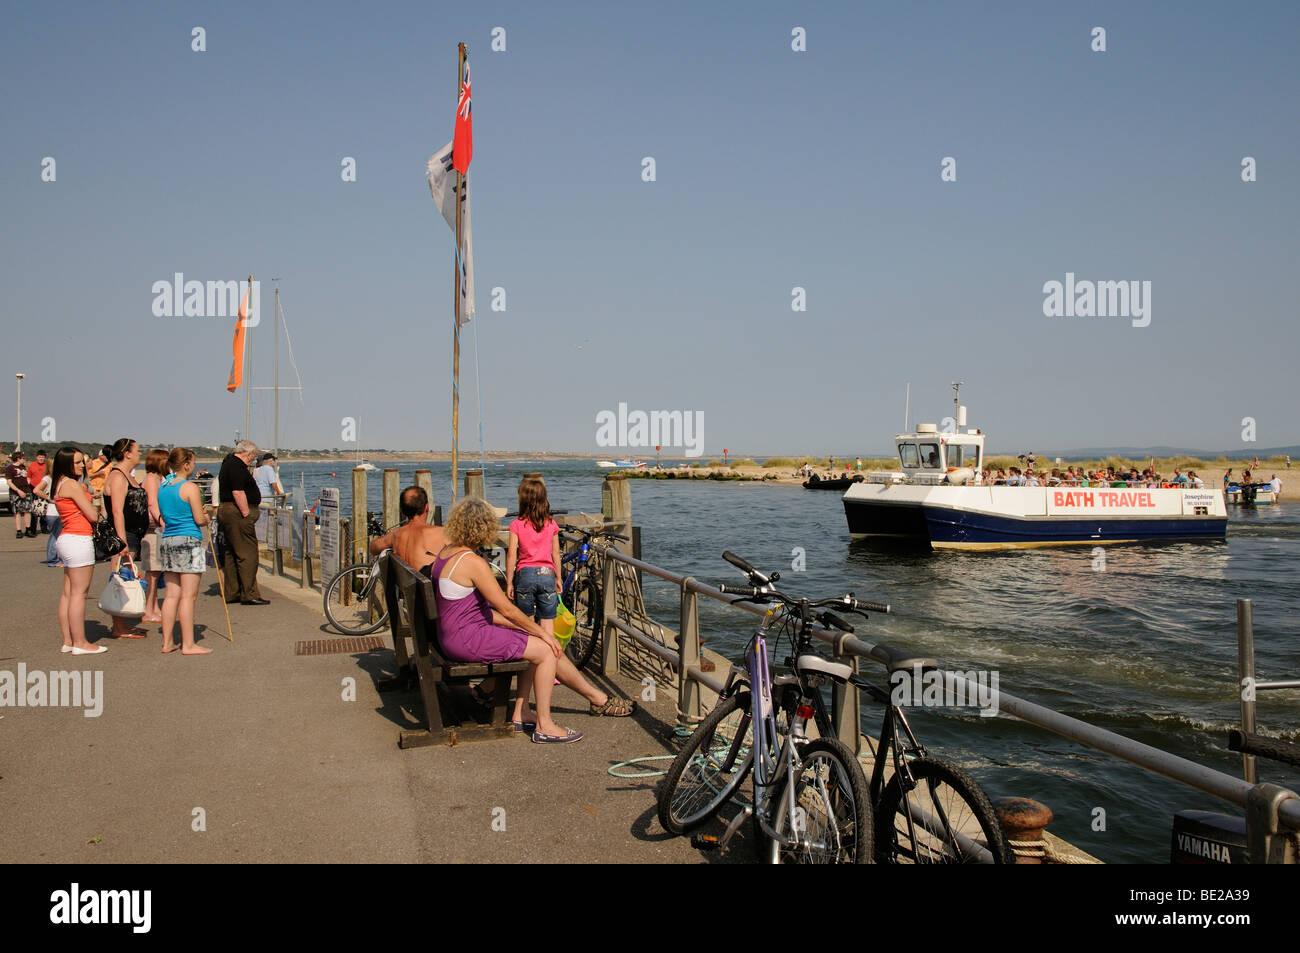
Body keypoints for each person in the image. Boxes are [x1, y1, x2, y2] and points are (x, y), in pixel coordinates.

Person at [431, 498, 634, 744]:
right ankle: (546, 725)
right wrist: (542, 633)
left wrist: (530, 630)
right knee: (546, 650)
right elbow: (506, 608)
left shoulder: (446, 554)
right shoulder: (472, 563)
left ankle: (524, 712)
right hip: (466, 640)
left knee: (533, 640)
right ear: (481, 526)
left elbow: (474, 611)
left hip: (453, 635)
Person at [157, 448, 213, 655]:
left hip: (169, 539)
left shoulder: (163, 486)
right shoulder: (189, 487)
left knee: (172, 594)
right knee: (189, 596)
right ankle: (188, 644)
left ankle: (167, 641)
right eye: (193, 462)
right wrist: (208, 518)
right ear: (187, 464)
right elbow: (199, 519)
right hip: (189, 539)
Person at [50, 447, 106, 654]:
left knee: (68, 593)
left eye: (82, 461)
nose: (82, 465)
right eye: (77, 462)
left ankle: (69, 640)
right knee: (79, 594)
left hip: (66, 538)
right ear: (66, 464)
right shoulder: (72, 484)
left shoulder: (59, 483)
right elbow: (91, 515)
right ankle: (81, 642)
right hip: (79, 538)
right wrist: (95, 507)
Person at [506, 476, 562, 646]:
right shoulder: (551, 524)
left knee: (527, 624)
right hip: (547, 574)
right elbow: (556, 553)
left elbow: (511, 555)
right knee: (547, 623)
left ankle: (532, 664)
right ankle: (550, 664)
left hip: (525, 576)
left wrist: (509, 582)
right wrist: (558, 577)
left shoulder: (516, 524)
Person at [103, 438, 150, 639]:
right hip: (125, 535)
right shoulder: (117, 476)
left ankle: (122, 623)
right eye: (138, 450)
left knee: (127, 578)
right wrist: (122, 540)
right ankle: (118, 625)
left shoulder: (128, 475)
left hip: (134, 534)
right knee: (120, 579)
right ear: (127, 453)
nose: (140, 453)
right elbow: (117, 511)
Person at [217, 441, 267, 605]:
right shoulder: (237, 466)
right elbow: (237, 491)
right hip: (237, 513)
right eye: (254, 456)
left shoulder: (228, 463)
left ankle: (233, 592)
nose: (253, 460)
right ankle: (250, 593)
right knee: (247, 553)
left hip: (228, 511)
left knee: (232, 553)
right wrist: (246, 513)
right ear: (249, 453)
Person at [368, 485, 444, 571]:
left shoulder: (396, 534)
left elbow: (373, 548)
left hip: (403, 583)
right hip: (426, 583)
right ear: (427, 507)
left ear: (402, 510)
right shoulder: (440, 533)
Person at [139, 447, 170, 624]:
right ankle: (148, 609)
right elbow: (152, 503)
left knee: (156, 571)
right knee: (152, 571)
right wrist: (162, 521)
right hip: (153, 529)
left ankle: (153, 607)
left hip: (155, 529)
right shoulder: (152, 479)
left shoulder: (158, 478)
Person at [6, 451, 34, 538]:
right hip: (15, 493)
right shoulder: (10, 468)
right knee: (17, 511)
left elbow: (27, 477)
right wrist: (18, 491)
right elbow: (9, 482)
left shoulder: (23, 467)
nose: (24, 460)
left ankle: (28, 529)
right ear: (18, 459)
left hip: (27, 491)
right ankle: (19, 530)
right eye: (23, 458)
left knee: (28, 510)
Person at [86, 445, 113, 516]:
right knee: (95, 508)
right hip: (95, 489)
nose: (108, 458)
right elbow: (87, 476)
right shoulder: (93, 463)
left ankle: (102, 523)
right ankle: (95, 523)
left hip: (103, 490)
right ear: (101, 456)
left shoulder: (110, 464)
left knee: (104, 508)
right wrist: (98, 474)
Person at [26, 450, 48, 535]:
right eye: (39, 457)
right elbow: (28, 477)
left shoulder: (47, 466)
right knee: (34, 510)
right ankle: (33, 529)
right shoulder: (32, 465)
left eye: (42, 457)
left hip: (44, 490)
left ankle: (44, 528)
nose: (41, 459)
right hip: (34, 489)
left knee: (44, 509)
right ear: (36, 457)